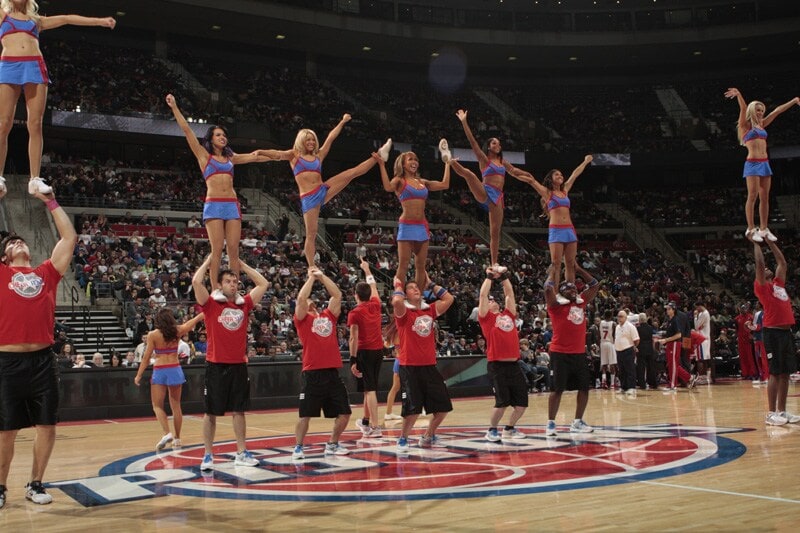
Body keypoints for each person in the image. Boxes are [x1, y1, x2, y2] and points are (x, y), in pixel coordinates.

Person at [0, 183, 77, 507]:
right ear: (5, 256)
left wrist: (50, 201)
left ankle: (35, 483)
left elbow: (69, 238)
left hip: (43, 361)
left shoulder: (46, 272)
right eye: (11, 242)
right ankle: (1, 487)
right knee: (6, 431)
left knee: (47, 425)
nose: (18, 242)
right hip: (7, 363)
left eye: (21, 240)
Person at [0, 2, 115, 200]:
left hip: (35, 66)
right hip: (9, 66)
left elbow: (67, 18)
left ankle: (34, 178)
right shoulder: (2, 15)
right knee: (3, 124)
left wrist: (99, 21)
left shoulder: (36, 21)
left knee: (35, 124)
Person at [166, 93, 264, 303]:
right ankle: (216, 290)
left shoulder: (230, 157)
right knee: (216, 250)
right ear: (211, 138)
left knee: (234, 251)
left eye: (224, 135)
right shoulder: (204, 156)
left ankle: (234, 291)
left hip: (232, 205)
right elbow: (186, 130)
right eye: (218, 135)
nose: (222, 137)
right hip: (213, 205)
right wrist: (175, 107)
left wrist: (285, 155)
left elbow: (255, 155)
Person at [255, 120, 391, 266]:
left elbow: (331, 138)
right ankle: (311, 266)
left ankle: (379, 156)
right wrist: (261, 152)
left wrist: (343, 121)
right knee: (311, 234)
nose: (312, 142)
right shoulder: (294, 155)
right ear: (301, 141)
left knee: (351, 173)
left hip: (323, 189)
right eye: (308, 139)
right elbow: (277, 154)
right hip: (309, 198)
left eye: (313, 139)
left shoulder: (318, 155)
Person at [192, 255, 270, 471]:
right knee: (210, 413)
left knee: (239, 411)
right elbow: (196, 282)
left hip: (238, 365)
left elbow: (263, 283)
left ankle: (241, 452)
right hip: (215, 365)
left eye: (235, 282)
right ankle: (208, 455)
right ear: (219, 284)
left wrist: (242, 265)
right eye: (228, 281)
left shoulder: (243, 304)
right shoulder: (210, 304)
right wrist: (209, 261)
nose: (233, 284)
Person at [452, 110, 538, 271]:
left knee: (495, 231)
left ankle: (494, 263)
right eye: (494, 143)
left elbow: (515, 172)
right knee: (469, 174)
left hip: (498, 196)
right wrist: (464, 122)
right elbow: (473, 143)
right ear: (488, 146)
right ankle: (450, 162)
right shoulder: (484, 160)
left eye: (499, 143)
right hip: (485, 191)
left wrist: (531, 178)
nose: (497, 145)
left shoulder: (503, 162)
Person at [291, 267, 352, 459]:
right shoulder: (301, 320)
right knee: (305, 415)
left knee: (344, 413)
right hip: (312, 373)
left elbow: (337, 294)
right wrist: (310, 279)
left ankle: (333, 443)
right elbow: (301, 299)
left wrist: (321, 275)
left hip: (332, 372)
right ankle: (298, 447)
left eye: (311, 301)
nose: (309, 302)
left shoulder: (328, 316)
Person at [724, 88, 799, 242]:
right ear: (752, 110)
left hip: (765, 163)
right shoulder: (745, 126)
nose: (760, 112)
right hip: (752, 164)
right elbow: (743, 108)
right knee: (752, 196)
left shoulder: (762, 124)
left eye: (762, 110)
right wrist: (739, 95)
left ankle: (764, 229)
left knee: (765, 197)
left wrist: (794, 100)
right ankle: (751, 228)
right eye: (757, 110)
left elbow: (777, 111)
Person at [392, 272, 455, 451]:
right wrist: (398, 286)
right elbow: (396, 302)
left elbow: (449, 299)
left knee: (443, 408)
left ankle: (428, 435)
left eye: (417, 287)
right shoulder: (403, 311)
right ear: (406, 294)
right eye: (411, 288)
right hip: (409, 367)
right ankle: (403, 439)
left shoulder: (430, 309)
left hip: (429, 366)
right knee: (413, 410)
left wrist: (431, 284)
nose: (416, 289)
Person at [376, 148, 451, 288]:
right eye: (410, 159)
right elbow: (387, 187)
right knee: (403, 265)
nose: (414, 161)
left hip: (422, 226)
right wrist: (381, 165)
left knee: (421, 266)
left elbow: (445, 184)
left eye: (416, 159)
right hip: (406, 225)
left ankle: (418, 299)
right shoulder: (399, 180)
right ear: (403, 164)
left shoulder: (423, 182)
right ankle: (398, 296)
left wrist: (447, 163)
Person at [134, 308, 205, 451]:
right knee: (176, 405)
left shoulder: (153, 334)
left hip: (160, 370)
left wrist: (139, 374)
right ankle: (177, 438)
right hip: (175, 368)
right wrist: (208, 309)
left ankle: (167, 433)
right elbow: (193, 321)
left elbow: (146, 357)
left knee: (157, 405)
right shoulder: (177, 331)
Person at [543, 262, 601, 437]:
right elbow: (547, 290)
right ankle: (551, 423)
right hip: (560, 353)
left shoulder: (581, 304)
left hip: (579, 353)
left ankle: (577, 421)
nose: (574, 291)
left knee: (584, 388)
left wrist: (578, 270)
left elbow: (595, 285)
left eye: (575, 289)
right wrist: (552, 273)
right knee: (557, 389)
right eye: (569, 290)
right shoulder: (556, 306)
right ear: (562, 293)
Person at [529, 155, 593, 299]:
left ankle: (571, 292)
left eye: (561, 174)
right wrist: (512, 170)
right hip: (556, 230)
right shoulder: (547, 193)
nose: (560, 176)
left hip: (570, 229)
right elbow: (531, 180)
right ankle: (557, 294)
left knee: (570, 263)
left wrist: (585, 161)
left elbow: (575, 174)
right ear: (550, 178)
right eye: (556, 174)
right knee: (556, 264)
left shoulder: (565, 191)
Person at [750, 237, 800, 426]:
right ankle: (771, 413)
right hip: (772, 333)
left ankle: (783, 411)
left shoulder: (779, 285)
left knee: (786, 373)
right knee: (774, 373)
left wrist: (769, 241)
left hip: (786, 333)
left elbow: (782, 262)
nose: (769, 269)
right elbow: (761, 264)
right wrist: (756, 243)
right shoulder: (762, 288)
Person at [478, 267, 528, 442]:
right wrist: (490, 277)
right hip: (497, 366)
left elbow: (510, 295)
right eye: (491, 301)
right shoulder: (486, 319)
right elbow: (483, 296)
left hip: (514, 365)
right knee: (502, 402)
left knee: (521, 404)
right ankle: (492, 430)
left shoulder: (509, 315)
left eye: (494, 300)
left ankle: (509, 428)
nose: (493, 301)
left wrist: (504, 276)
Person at [348, 258, 385, 438]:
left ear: (355, 295)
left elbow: (353, 337)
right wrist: (367, 269)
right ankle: (365, 421)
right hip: (378, 351)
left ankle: (376, 427)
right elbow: (374, 287)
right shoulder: (376, 304)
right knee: (367, 388)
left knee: (370, 390)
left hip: (364, 351)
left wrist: (352, 359)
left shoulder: (355, 313)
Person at [657, 302, 697, 392]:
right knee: (673, 363)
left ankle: (678, 383)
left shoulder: (677, 318)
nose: (666, 310)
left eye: (668, 308)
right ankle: (687, 379)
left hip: (680, 341)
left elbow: (681, 332)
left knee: (682, 361)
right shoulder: (671, 318)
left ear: (673, 309)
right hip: (680, 341)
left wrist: (667, 340)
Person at [613, 310, 640, 397]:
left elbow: (636, 339)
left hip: (628, 350)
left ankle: (631, 388)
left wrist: (633, 347)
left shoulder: (630, 326)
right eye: (618, 316)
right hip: (619, 351)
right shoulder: (617, 327)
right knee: (621, 370)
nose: (619, 318)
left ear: (625, 317)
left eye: (621, 316)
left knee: (630, 369)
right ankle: (623, 387)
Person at [382, 321, 402, 422]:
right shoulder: (401, 331)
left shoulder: (393, 332)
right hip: (403, 361)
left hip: (398, 361)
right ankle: (416, 409)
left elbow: (386, 344)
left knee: (395, 388)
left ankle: (388, 413)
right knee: (412, 386)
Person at [734, 302, 757, 380]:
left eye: (744, 308)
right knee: (743, 357)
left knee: (750, 357)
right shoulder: (737, 319)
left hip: (749, 339)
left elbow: (754, 327)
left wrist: (752, 336)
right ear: (739, 309)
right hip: (741, 340)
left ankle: (753, 373)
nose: (743, 309)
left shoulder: (751, 317)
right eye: (742, 308)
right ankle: (745, 373)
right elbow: (737, 330)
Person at [635, 313, 659, 390]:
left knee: (641, 367)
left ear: (639, 320)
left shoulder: (637, 328)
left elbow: (637, 340)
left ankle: (642, 384)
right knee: (651, 367)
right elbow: (652, 339)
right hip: (649, 349)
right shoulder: (650, 328)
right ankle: (653, 383)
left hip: (641, 349)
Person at [693, 301, 712, 385]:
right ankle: (705, 377)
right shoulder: (704, 313)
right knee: (703, 359)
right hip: (705, 338)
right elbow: (698, 327)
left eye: (697, 307)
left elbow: (696, 326)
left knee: (700, 359)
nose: (696, 309)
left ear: (700, 306)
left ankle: (701, 377)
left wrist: (695, 316)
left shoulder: (704, 314)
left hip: (702, 339)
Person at [598, 309, 617, 390]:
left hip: (603, 343)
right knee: (612, 364)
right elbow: (614, 335)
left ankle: (603, 381)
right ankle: (612, 384)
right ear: (611, 316)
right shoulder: (613, 323)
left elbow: (599, 335)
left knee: (604, 364)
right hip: (610, 343)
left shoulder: (601, 323)